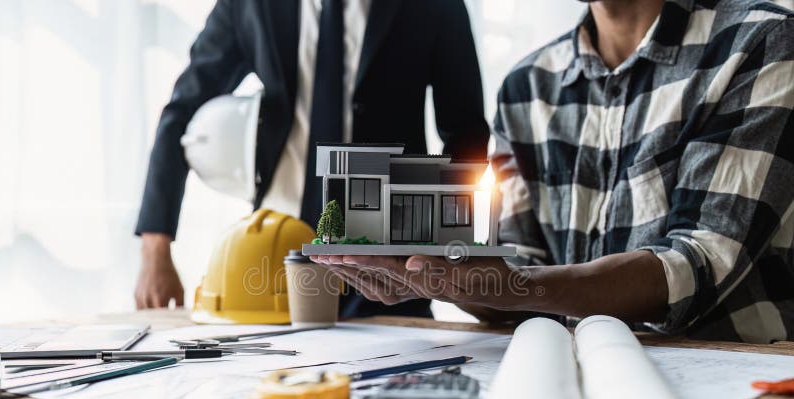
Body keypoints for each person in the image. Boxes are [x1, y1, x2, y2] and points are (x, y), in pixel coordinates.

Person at [313, 0, 794, 343]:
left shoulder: (760, 41)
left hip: (736, 374)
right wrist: (440, 278)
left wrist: (514, 286)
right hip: (569, 375)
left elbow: (699, 261)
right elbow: (517, 276)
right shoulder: (527, 88)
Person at [134, 0, 490, 319]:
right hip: (272, 256)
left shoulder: (435, 5)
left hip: (390, 260)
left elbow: (466, 131)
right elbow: (182, 112)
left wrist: (449, 245)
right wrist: (155, 249)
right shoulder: (250, 5)